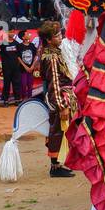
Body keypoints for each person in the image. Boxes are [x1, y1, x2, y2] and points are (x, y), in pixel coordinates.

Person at [38, 20, 76, 178]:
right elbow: (54, 82)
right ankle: (55, 166)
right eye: (57, 35)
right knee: (57, 131)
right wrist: (62, 106)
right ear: (49, 39)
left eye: (60, 34)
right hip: (59, 98)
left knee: (59, 131)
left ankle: (59, 164)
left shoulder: (53, 52)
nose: (61, 37)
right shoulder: (52, 57)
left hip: (59, 96)